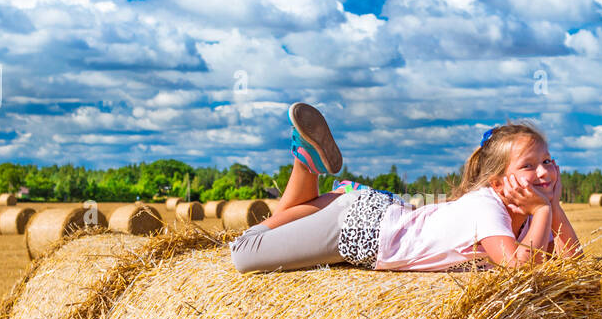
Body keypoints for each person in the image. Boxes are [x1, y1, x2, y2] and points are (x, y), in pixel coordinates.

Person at [229, 102, 581, 274]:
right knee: (244, 254)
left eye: (548, 161)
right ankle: (308, 167)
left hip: (382, 211)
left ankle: (322, 177)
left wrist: (553, 205)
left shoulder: (521, 217)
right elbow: (518, 267)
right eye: (529, 165)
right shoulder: (486, 207)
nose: (544, 171)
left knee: (295, 220)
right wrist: (543, 210)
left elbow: (573, 266)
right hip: (363, 231)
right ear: (498, 181)